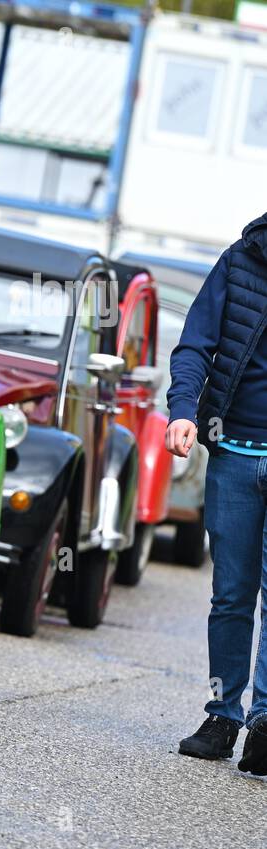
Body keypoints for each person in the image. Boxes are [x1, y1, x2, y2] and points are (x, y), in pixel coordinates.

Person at [166, 212, 267, 774]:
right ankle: (224, 715)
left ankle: (265, 724)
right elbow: (194, 345)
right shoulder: (241, 259)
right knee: (231, 595)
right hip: (234, 452)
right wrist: (183, 411)